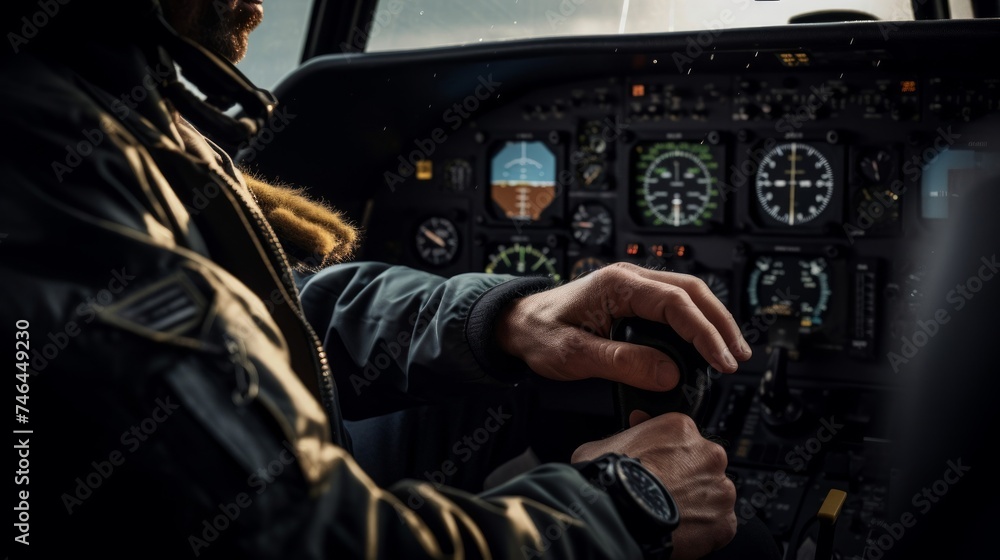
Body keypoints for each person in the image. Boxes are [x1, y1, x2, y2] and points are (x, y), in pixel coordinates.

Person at [1, 1, 779, 558]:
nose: (261, 8)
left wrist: (502, 319)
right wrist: (626, 508)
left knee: (508, 379)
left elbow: (271, 317)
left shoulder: (106, 101)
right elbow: (295, 538)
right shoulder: (47, 157)